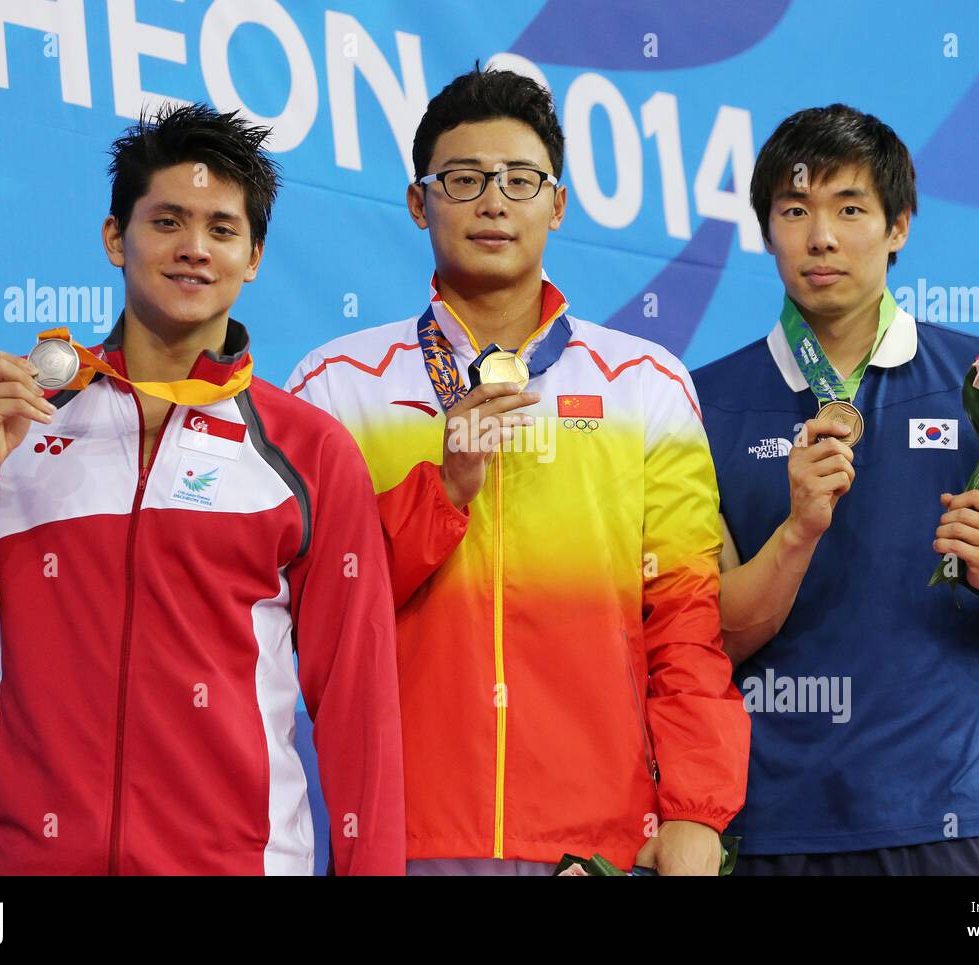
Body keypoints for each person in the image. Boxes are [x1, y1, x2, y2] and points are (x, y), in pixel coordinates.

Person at [0, 103, 405, 875]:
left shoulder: (309, 452)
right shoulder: (16, 413)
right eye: (167, 222)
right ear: (116, 238)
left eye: (222, 229)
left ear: (253, 256)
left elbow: (362, 713)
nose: (194, 249)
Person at [288, 67, 750, 876]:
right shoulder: (335, 385)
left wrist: (696, 812)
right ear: (416, 202)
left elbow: (684, 618)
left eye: (520, 180)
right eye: (462, 180)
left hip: (599, 846)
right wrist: (442, 491)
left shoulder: (646, 384)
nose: (493, 202)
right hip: (402, 838)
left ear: (558, 204)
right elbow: (313, 611)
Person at [691, 104, 979, 875]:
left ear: (899, 226)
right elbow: (712, 634)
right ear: (765, 229)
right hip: (767, 828)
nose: (822, 237)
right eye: (794, 210)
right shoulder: (703, 402)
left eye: (851, 209)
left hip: (945, 828)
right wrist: (797, 531)